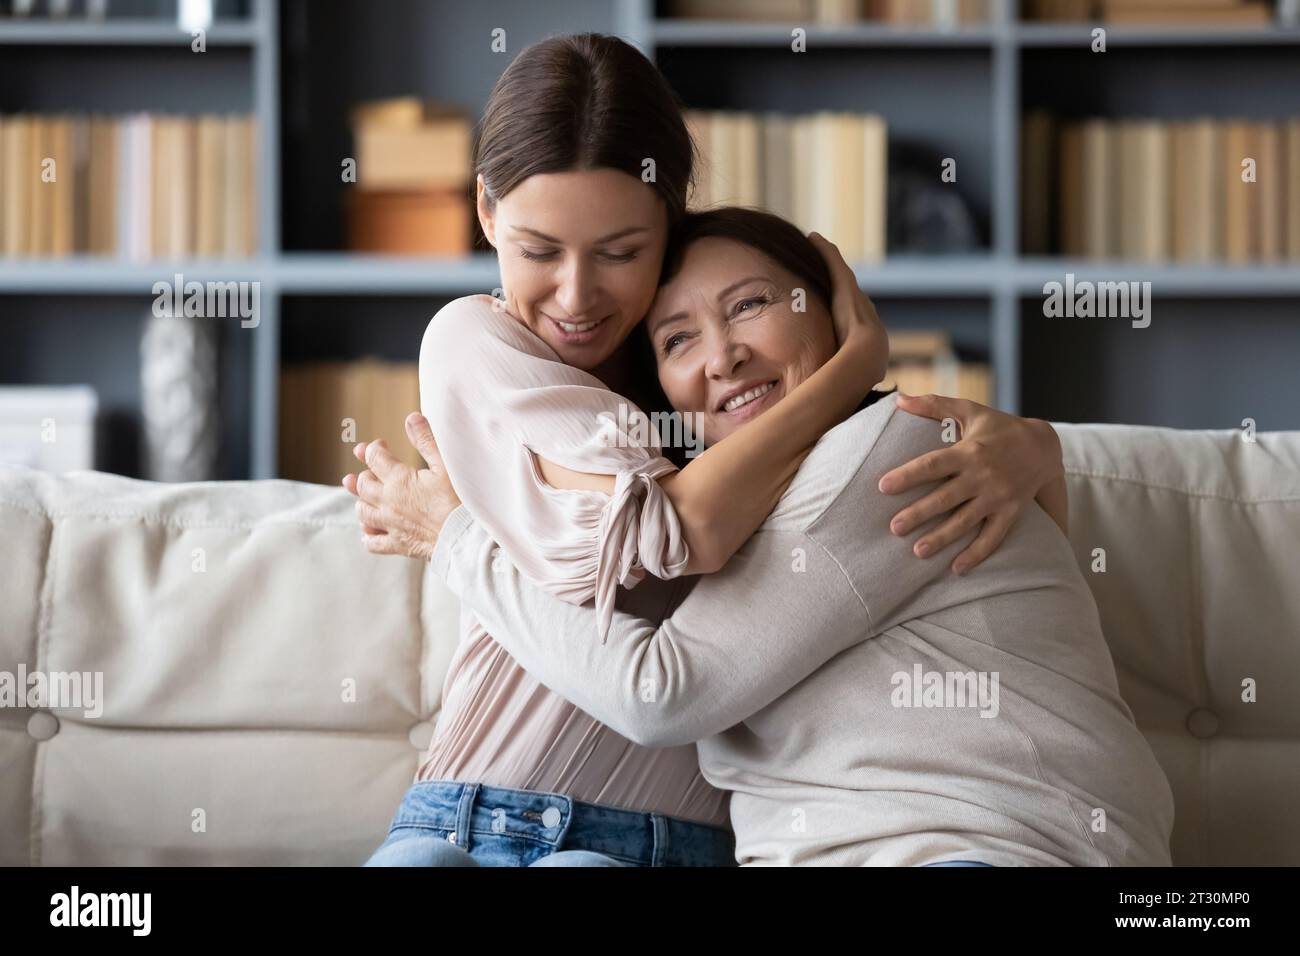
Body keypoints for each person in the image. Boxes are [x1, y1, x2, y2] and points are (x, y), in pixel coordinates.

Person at [349, 34, 1068, 868]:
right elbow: (665, 534)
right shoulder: (479, 341)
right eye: (538, 250)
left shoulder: (707, 386)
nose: (576, 297)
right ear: (486, 214)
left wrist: (1036, 445)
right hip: (462, 803)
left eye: (620, 252)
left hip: (657, 841)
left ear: (668, 217)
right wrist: (853, 366)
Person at [365, 207, 1176, 867]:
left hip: (987, 849)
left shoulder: (888, 448)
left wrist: (456, 538)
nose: (724, 356)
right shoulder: (723, 514)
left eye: (751, 305)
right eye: (678, 340)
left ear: (826, 308)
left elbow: (661, 694)